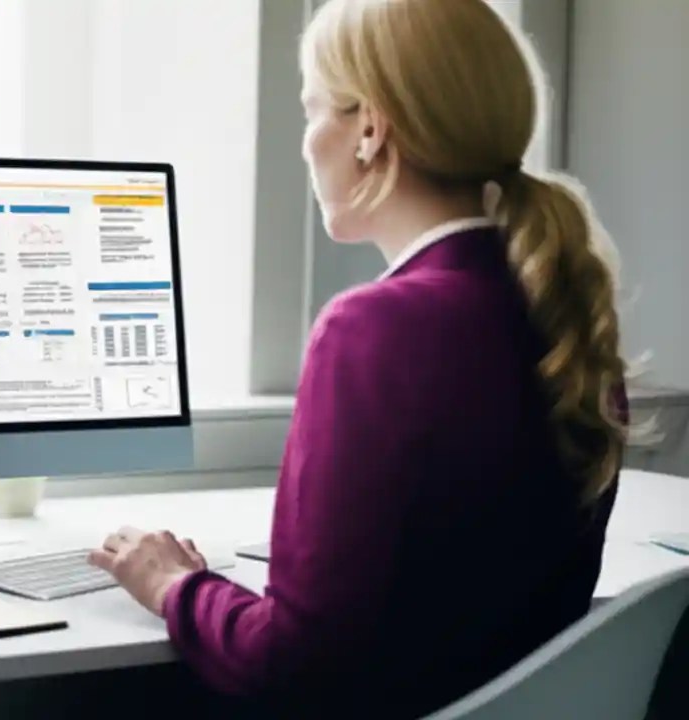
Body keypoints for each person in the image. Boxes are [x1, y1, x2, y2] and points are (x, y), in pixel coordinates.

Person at [88, 0, 631, 717]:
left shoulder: (373, 327)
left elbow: (295, 664)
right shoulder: (568, 318)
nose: (307, 140)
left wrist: (175, 587)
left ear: (370, 129)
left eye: (314, 111)